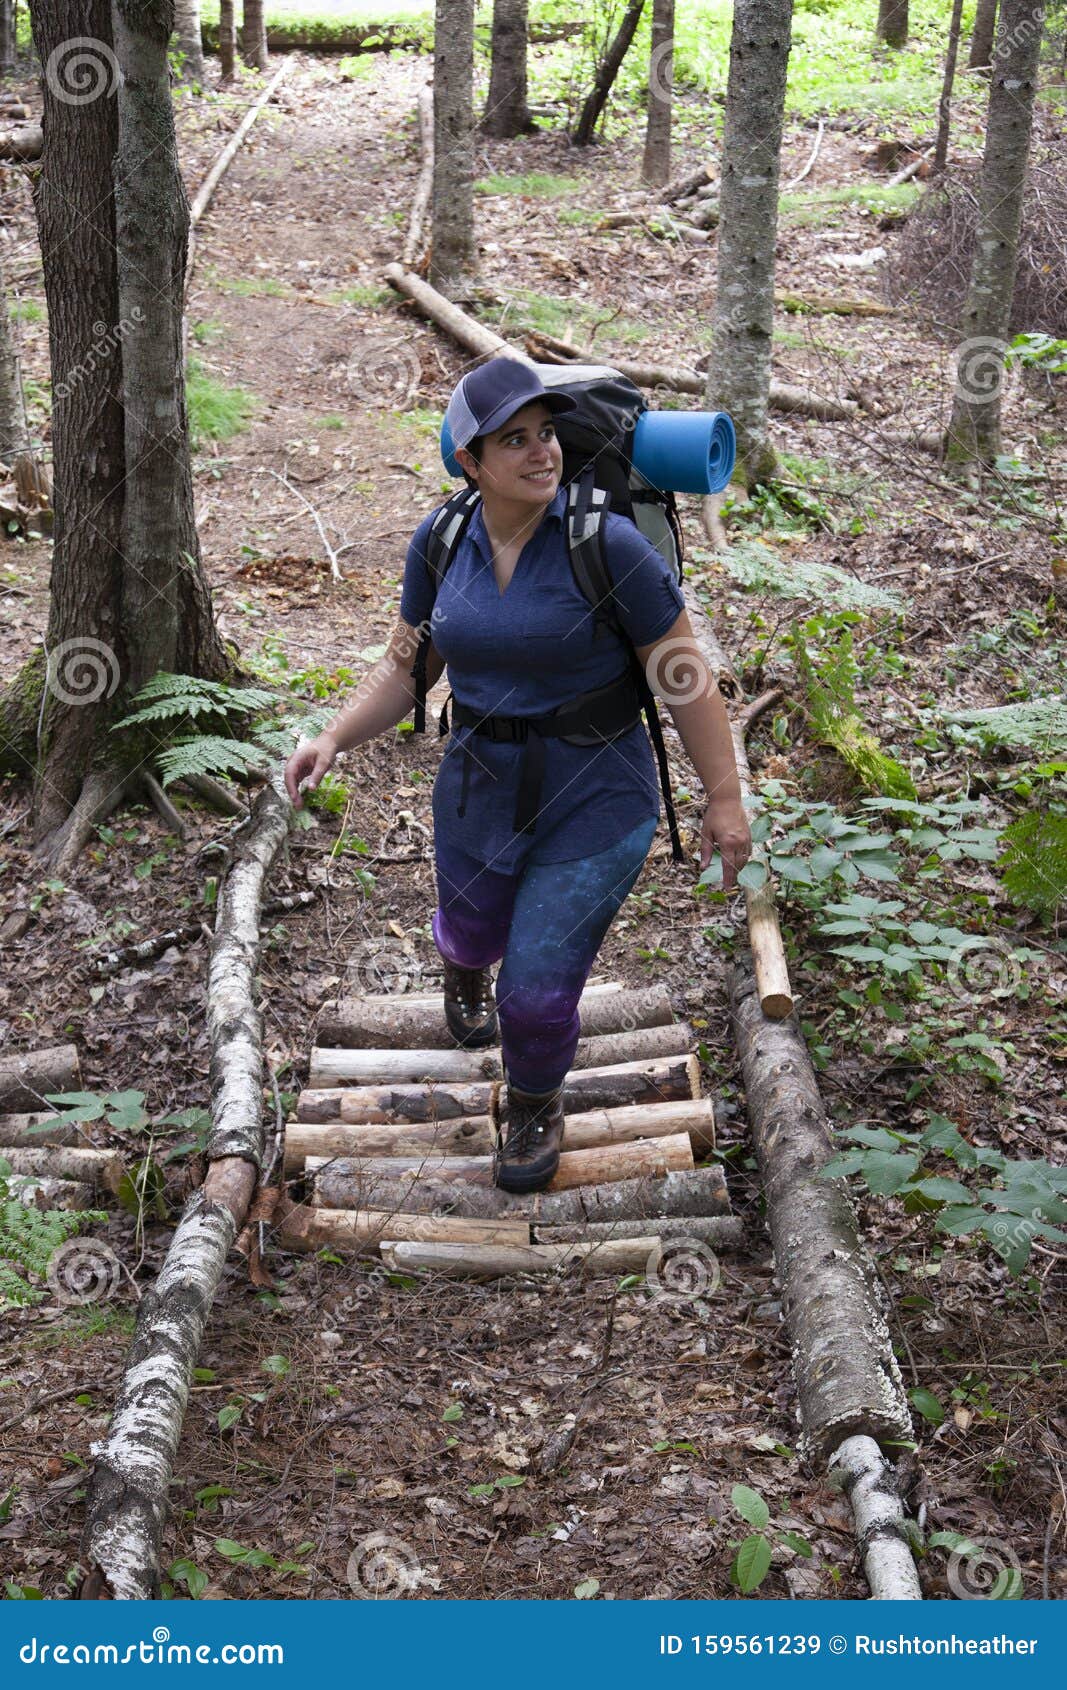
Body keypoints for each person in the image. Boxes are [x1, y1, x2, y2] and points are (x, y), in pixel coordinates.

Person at [284, 360, 751, 1195]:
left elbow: (682, 674)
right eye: (515, 440)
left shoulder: (602, 543)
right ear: (470, 460)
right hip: (476, 787)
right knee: (470, 932)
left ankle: (533, 1103)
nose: (542, 453)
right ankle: (461, 963)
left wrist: (723, 798)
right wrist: (332, 738)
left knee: (533, 996)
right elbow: (405, 671)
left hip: (599, 796)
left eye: (547, 433)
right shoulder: (441, 540)